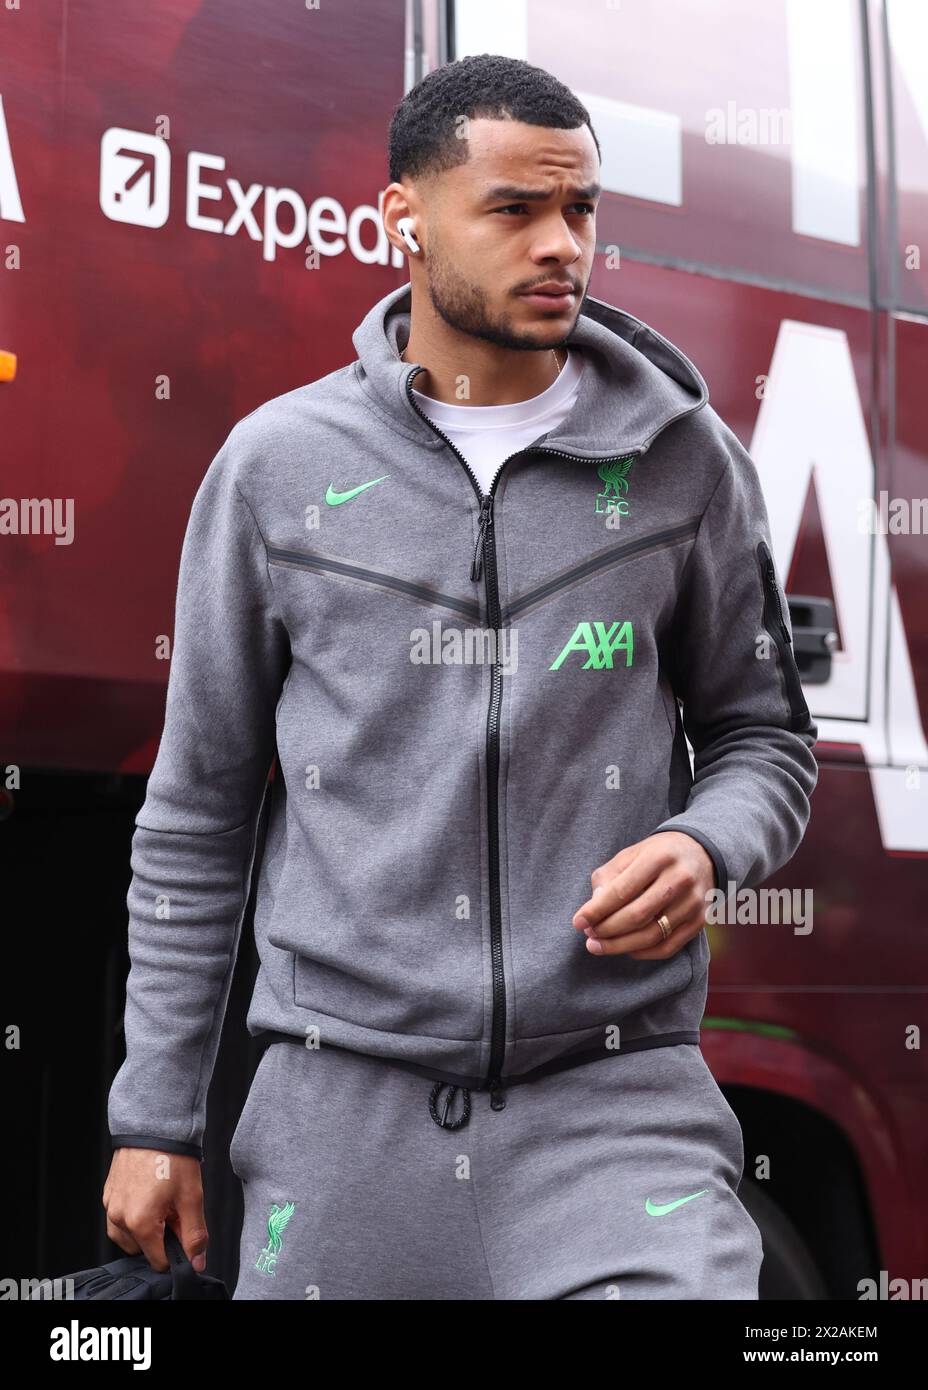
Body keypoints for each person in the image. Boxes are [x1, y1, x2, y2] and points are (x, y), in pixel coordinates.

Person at [103, 53, 818, 1300]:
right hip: (341, 1118)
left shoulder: (685, 462)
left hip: (615, 1101)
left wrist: (708, 846)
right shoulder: (275, 468)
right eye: (514, 210)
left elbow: (764, 735)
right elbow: (198, 810)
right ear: (404, 218)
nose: (562, 245)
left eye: (581, 209)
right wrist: (155, 1116)